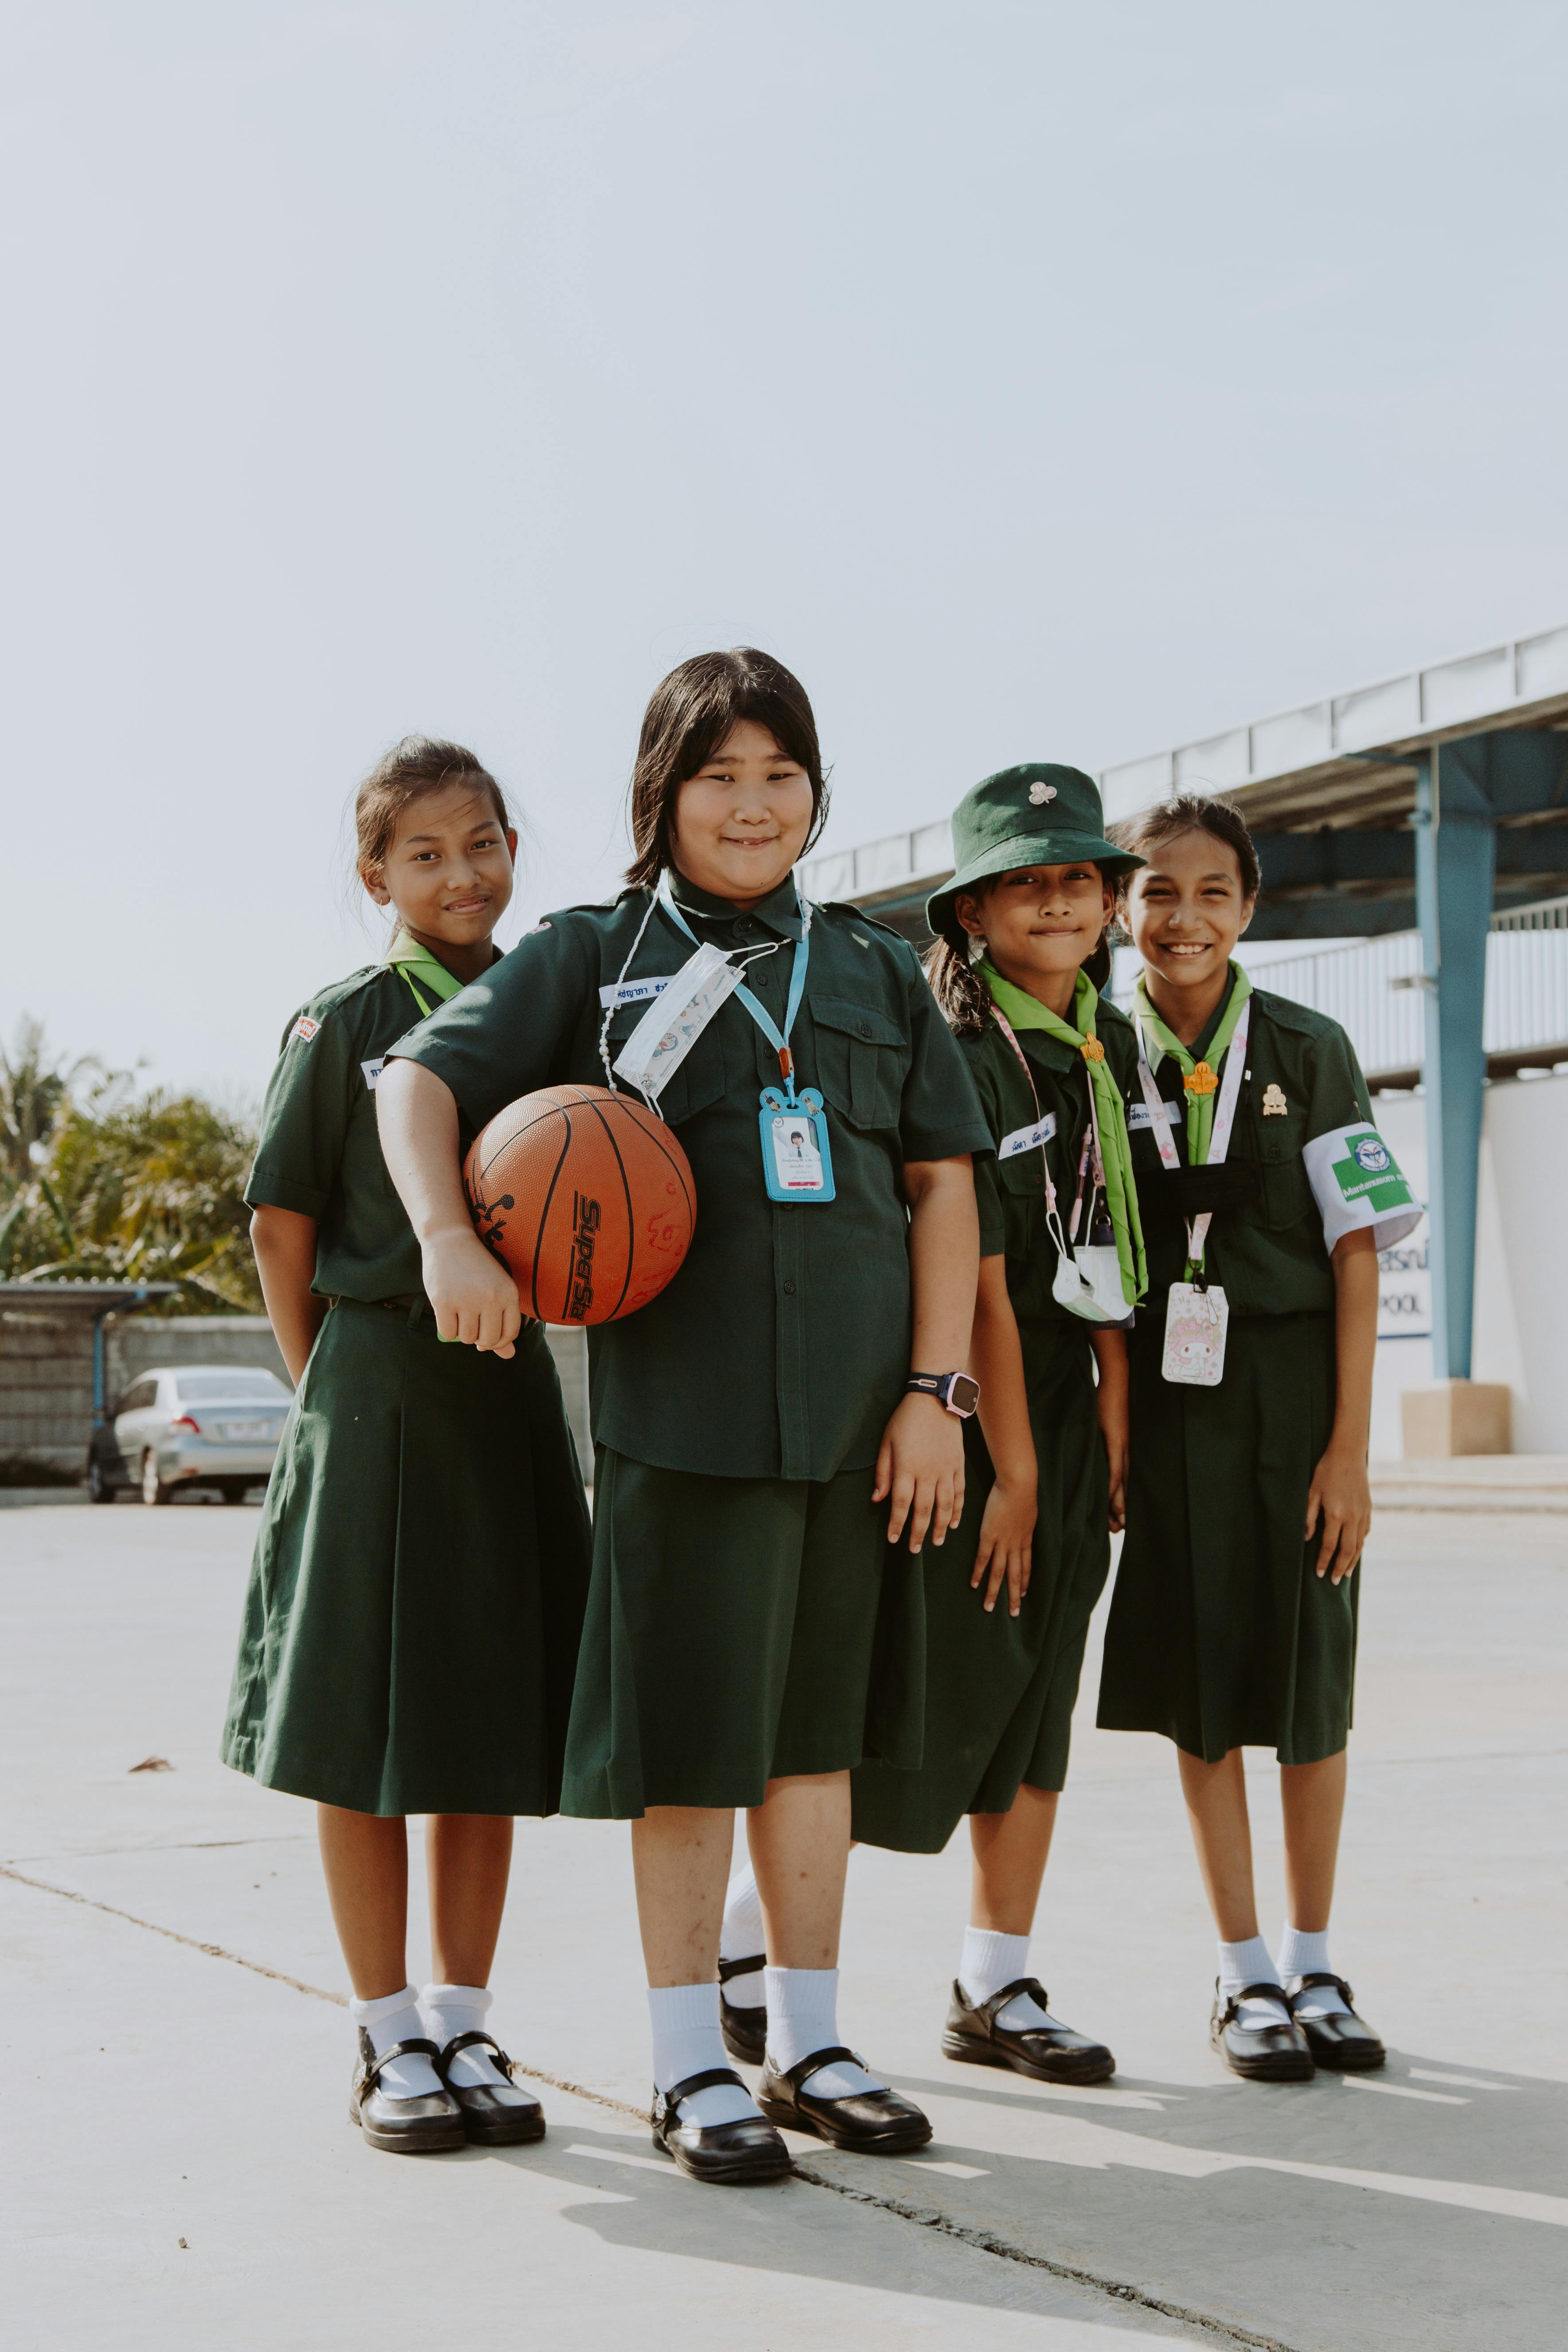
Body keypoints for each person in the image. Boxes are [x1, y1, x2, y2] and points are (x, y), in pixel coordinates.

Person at [376, 649, 994, 2185]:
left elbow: (942, 1192)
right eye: (720, 775)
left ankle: (811, 2039)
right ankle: (678, 2063)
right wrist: (452, 1239)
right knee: (690, 1754)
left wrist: (937, 1395)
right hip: (686, 1425)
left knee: (813, 1747)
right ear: (664, 796)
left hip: (858, 1430)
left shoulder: (869, 966)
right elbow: (414, 1085)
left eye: (782, 774)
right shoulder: (594, 954)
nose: (755, 803)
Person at [222, 737, 592, 2156]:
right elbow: (281, 1228)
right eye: (425, 854)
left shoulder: (549, 1019)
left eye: (484, 843)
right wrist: (327, 1388)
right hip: (376, 1379)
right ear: (373, 875)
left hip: (508, 1395)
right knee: (363, 1733)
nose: (462, 874)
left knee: (485, 1729)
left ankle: (466, 2013)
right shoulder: (346, 1020)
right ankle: (386, 2030)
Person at [1096, 792, 1420, 2080]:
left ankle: (1318, 1954)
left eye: (1212, 893)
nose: (1184, 918)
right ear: (1124, 906)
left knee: (1310, 1686)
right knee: (1204, 1685)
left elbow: (1358, 1253)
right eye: (1158, 892)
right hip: (1173, 1400)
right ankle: (1243, 1974)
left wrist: (1352, 1450)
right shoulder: (1096, 1055)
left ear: (1251, 907)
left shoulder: (1313, 1046)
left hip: (1293, 1397)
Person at [835, 765, 1142, 2084]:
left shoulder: (1109, 1046)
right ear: (969, 914)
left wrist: (1115, 1421)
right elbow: (987, 1277)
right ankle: (750, 1955)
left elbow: (1115, 1249)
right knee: (927, 1702)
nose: (1060, 899)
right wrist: (1011, 1467)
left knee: (1036, 1708)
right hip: (983, 1416)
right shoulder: (958, 1048)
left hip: (1080, 1414)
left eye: (1080, 876)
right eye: (1027, 880)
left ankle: (996, 1982)